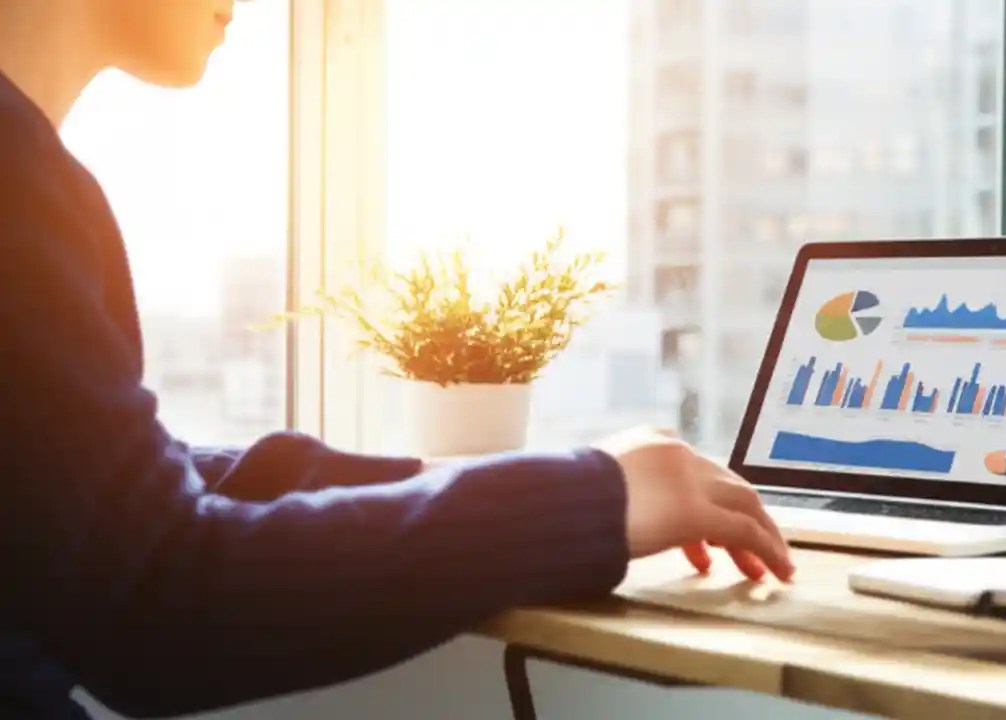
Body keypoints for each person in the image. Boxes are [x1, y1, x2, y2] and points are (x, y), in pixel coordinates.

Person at [0, 1, 794, 717]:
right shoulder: (18, 182)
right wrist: (591, 500)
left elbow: (120, 494)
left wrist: (463, 478)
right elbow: (159, 595)